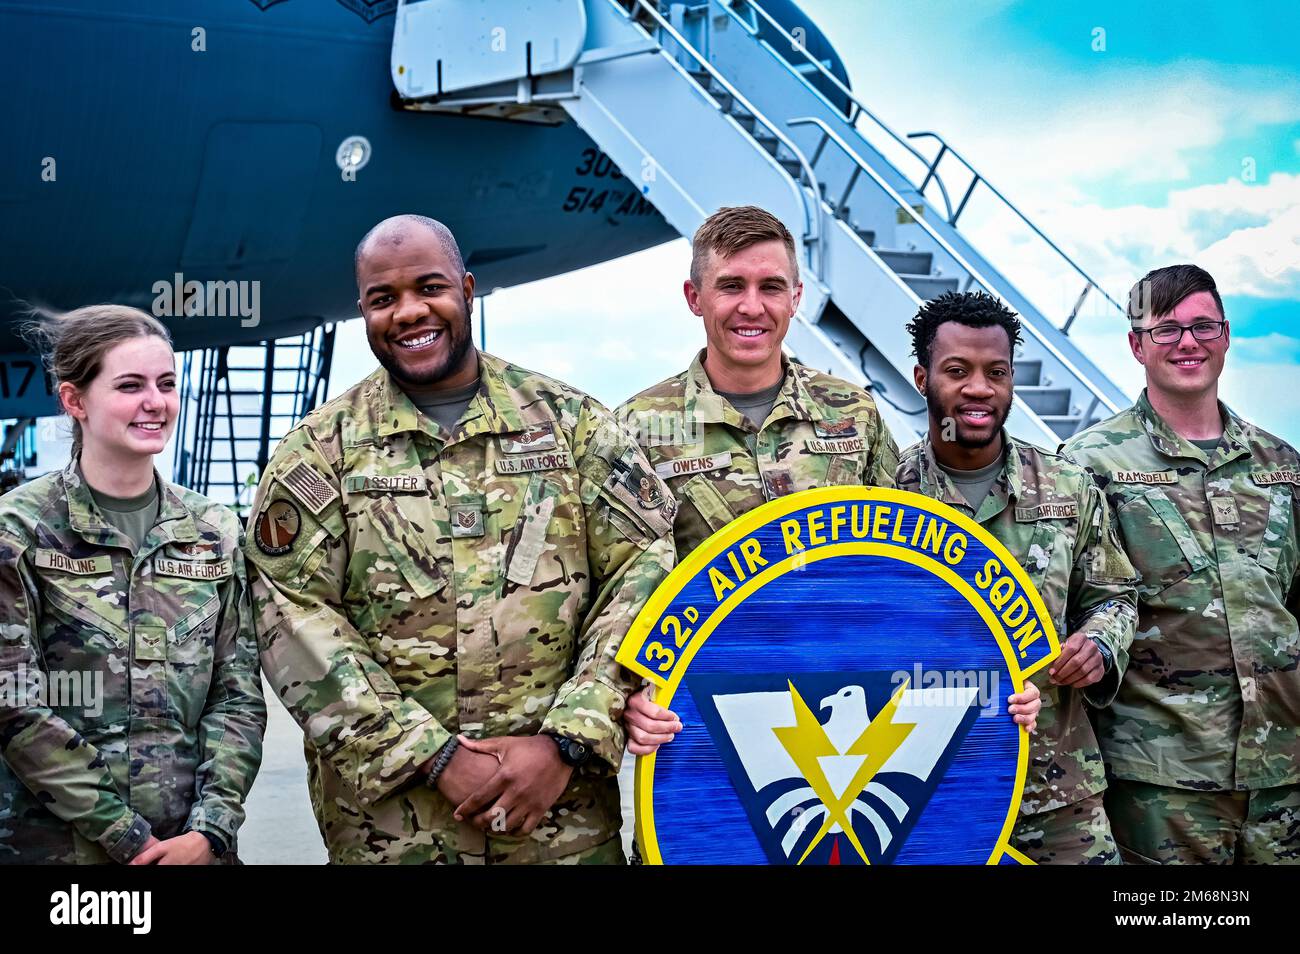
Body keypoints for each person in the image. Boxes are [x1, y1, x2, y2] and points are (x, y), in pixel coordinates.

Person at [244, 214, 676, 864]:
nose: (410, 312)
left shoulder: (574, 427)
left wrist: (566, 741)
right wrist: (433, 755)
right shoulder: (319, 453)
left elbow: (642, 576)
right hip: (395, 832)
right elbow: (292, 616)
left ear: (468, 290)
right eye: (383, 299)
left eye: (430, 287)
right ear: (362, 310)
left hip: (561, 825)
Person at [617, 210, 1038, 765]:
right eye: (730, 286)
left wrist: (990, 670)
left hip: (847, 705)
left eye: (771, 287)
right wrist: (623, 699)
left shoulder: (852, 413)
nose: (752, 306)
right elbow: (619, 584)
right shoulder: (636, 427)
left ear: (795, 297)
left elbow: (917, 565)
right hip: (708, 719)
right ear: (695, 297)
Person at [0, 305, 266, 865]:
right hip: (61, 852)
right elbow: (13, 705)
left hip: (195, 851)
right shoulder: (19, 529)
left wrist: (210, 830)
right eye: (130, 385)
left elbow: (236, 694)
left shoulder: (213, 530)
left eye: (166, 384)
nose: (155, 402)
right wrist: (128, 837)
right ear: (75, 401)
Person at [1062, 264, 1300, 864]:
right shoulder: (1089, 464)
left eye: (1202, 327)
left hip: (1284, 774)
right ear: (1136, 345)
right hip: (1160, 780)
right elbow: (1076, 606)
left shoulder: (1282, 464)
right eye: (1165, 330)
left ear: (1225, 335)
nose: (1187, 343)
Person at [894, 291, 1138, 864]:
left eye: (996, 372)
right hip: (924, 789)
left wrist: (1099, 644)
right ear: (921, 377)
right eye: (957, 371)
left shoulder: (1067, 486)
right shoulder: (884, 495)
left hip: (1056, 793)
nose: (979, 388)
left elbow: (1114, 596)